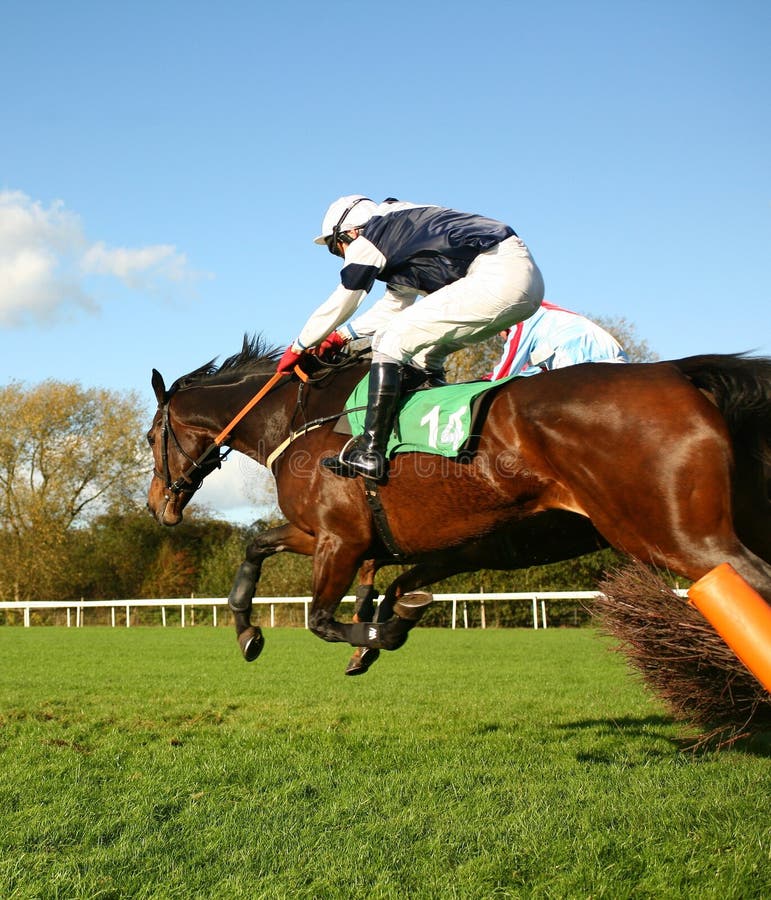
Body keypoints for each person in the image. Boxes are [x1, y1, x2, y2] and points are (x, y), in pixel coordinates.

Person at [277, 195, 545, 482]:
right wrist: (340, 337)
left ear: (349, 232)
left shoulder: (371, 237)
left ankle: (370, 451)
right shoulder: (398, 234)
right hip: (522, 280)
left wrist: (300, 344)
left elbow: (346, 296)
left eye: (336, 247)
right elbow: (394, 306)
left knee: (389, 340)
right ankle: (434, 443)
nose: (342, 255)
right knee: (422, 353)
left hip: (495, 276)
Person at [487, 300, 628, 380]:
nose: (503, 337)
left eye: (498, 332)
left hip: (581, 358)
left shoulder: (522, 319)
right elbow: (530, 372)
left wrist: (482, 384)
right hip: (615, 356)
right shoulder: (543, 316)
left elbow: (506, 370)